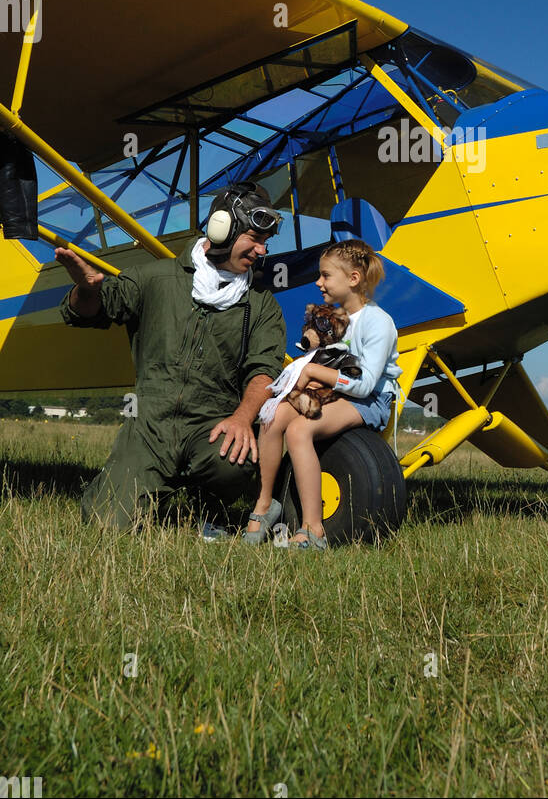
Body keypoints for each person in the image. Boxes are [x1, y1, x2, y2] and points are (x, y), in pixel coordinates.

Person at [57, 181, 287, 535]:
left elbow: (264, 371)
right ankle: (130, 483)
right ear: (222, 228)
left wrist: (242, 419)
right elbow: (94, 310)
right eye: (255, 239)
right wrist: (86, 290)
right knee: (107, 525)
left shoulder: (261, 304)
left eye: (265, 242)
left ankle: (206, 499)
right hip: (151, 425)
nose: (261, 250)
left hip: (211, 425)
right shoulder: (155, 278)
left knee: (235, 463)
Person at [245, 238, 400, 550]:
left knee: (300, 430)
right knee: (271, 415)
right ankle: (265, 504)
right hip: (333, 393)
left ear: (353, 279)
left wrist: (315, 373)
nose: (318, 282)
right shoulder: (334, 317)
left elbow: (365, 383)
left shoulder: (378, 322)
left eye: (326, 275)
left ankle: (313, 529)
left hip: (368, 401)